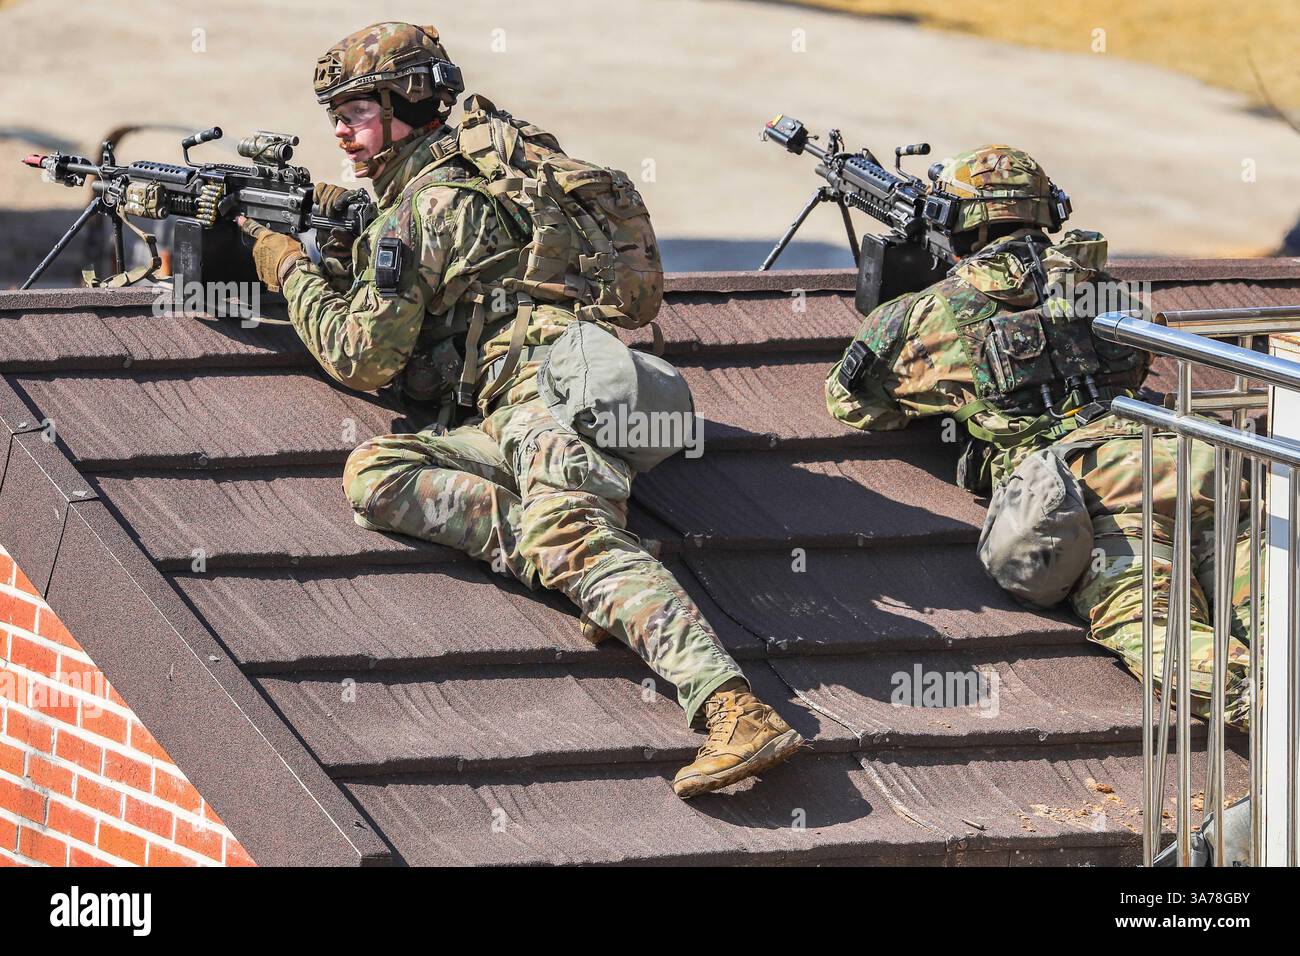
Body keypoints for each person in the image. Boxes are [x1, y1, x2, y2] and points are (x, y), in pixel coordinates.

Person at [238, 21, 803, 799]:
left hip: (547, 395)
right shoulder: (482, 169)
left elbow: (362, 356)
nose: (340, 128)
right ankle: (599, 582)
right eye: (335, 111)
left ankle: (734, 708)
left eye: (357, 109)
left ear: (407, 101)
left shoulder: (424, 208)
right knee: (379, 473)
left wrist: (292, 270)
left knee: (571, 533)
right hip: (522, 402)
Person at [825, 144, 1254, 732]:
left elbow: (854, 402)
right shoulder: (1102, 289)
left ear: (952, 223)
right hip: (1202, 460)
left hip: (1106, 494)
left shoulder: (926, 314)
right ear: (1049, 212)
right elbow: (1135, 359)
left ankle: (1279, 729)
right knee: (1275, 612)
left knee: (1154, 627)